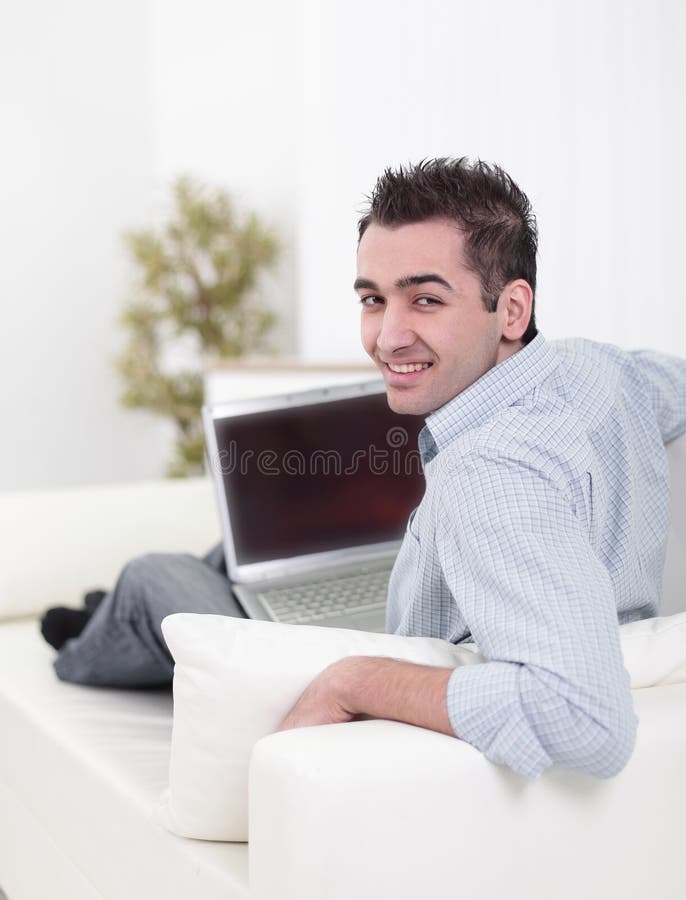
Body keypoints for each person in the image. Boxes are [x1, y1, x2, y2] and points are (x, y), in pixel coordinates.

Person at [43, 157, 686, 780]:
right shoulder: (604, 372)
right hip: (468, 607)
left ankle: (84, 639)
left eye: (426, 300)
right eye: (374, 299)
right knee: (235, 553)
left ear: (511, 310)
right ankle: (156, 596)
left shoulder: (489, 473)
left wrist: (359, 679)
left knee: (156, 575)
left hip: (343, 671)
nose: (387, 337)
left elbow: (585, 720)